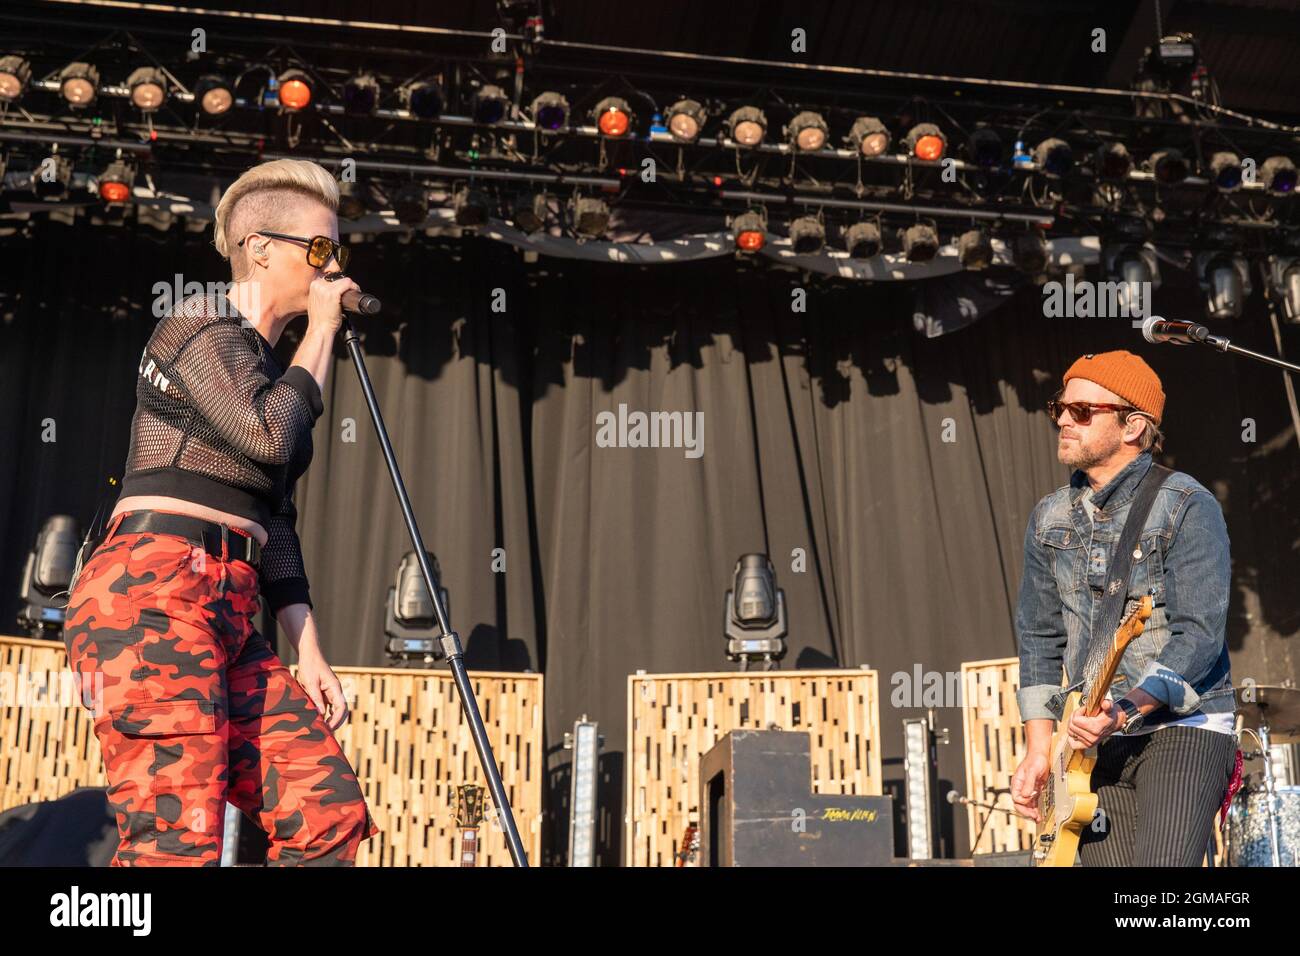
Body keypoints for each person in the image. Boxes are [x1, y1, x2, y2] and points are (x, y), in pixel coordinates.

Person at [63, 158, 380, 865]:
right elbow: (269, 437)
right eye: (321, 250)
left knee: (325, 811)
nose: (333, 269)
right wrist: (322, 332)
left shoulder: (270, 372)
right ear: (261, 248)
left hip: (227, 610)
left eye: (339, 253)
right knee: (176, 841)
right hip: (151, 592)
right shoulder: (199, 321)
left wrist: (309, 648)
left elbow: (276, 523)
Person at [1009, 350, 1236, 866]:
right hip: (1089, 740)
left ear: (1133, 425)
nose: (1063, 420)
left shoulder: (1185, 505)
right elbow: (1040, 640)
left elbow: (1199, 635)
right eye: (1059, 408)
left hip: (1183, 727)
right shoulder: (1049, 518)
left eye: (1082, 411)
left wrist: (1127, 709)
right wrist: (1040, 750)